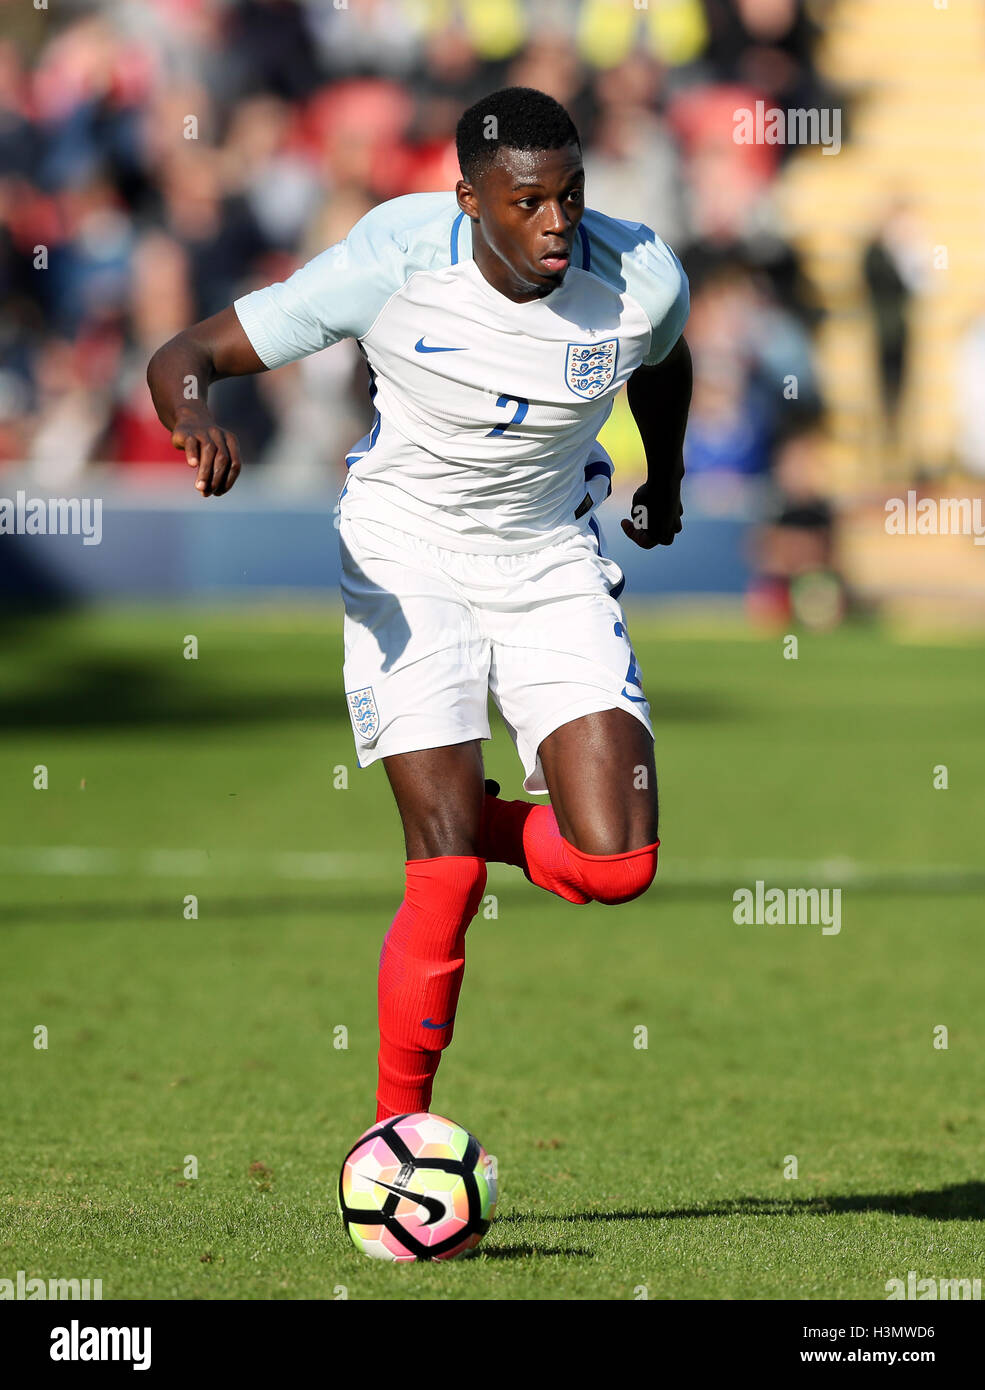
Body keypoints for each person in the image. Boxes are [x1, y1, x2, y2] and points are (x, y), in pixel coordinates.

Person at [146, 86, 692, 1124]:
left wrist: (662, 477)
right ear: (468, 199)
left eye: (571, 195)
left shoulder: (639, 277)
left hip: (546, 560)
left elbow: (663, 362)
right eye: (527, 202)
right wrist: (192, 418)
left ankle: (453, 811)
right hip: (408, 557)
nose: (557, 223)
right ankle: (398, 1138)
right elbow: (185, 356)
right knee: (443, 878)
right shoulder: (393, 261)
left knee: (618, 863)